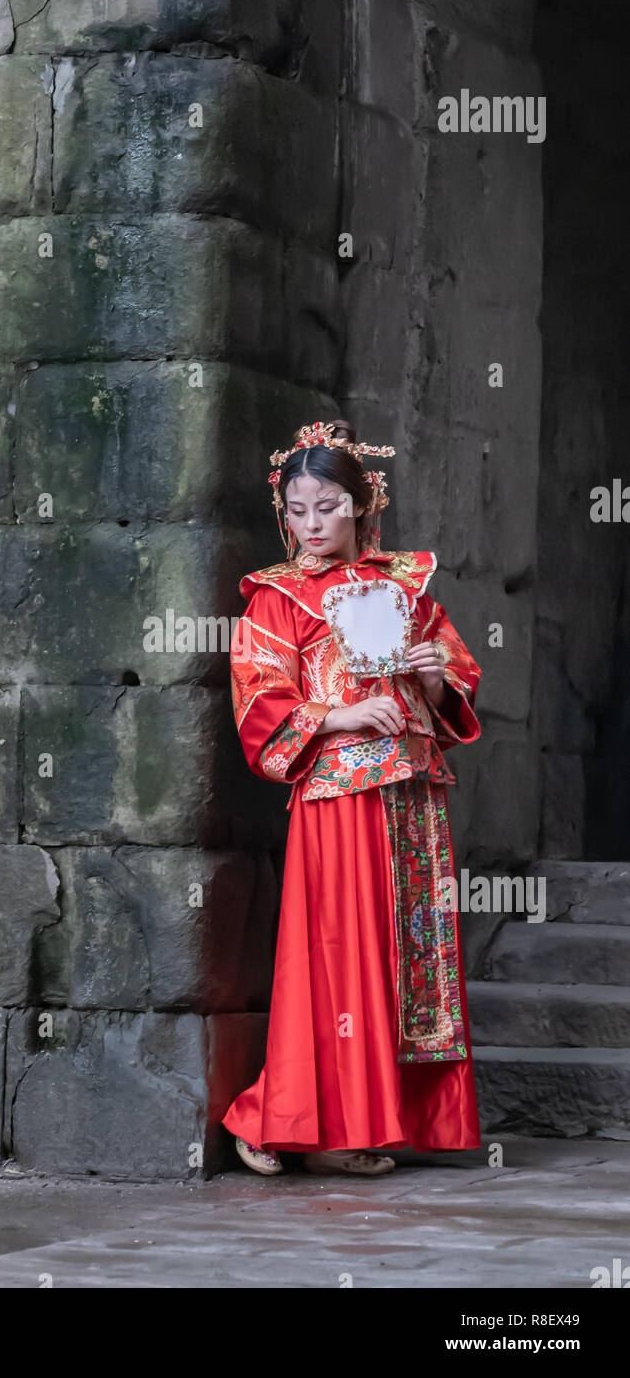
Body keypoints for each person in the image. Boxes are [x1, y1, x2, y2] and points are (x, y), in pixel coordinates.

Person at [223, 419, 482, 1177]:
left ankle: (361, 1126)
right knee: (338, 963)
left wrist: (432, 674)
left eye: (328, 507)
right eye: (296, 511)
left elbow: (454, 685)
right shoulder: (276, 598)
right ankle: (272, 1119)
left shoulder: (408, 585)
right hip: (336, 794)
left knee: (407, 959)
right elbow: (257, 697)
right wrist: (337, 714)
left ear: (365, 505)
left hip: (412, 793)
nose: (310, 526)